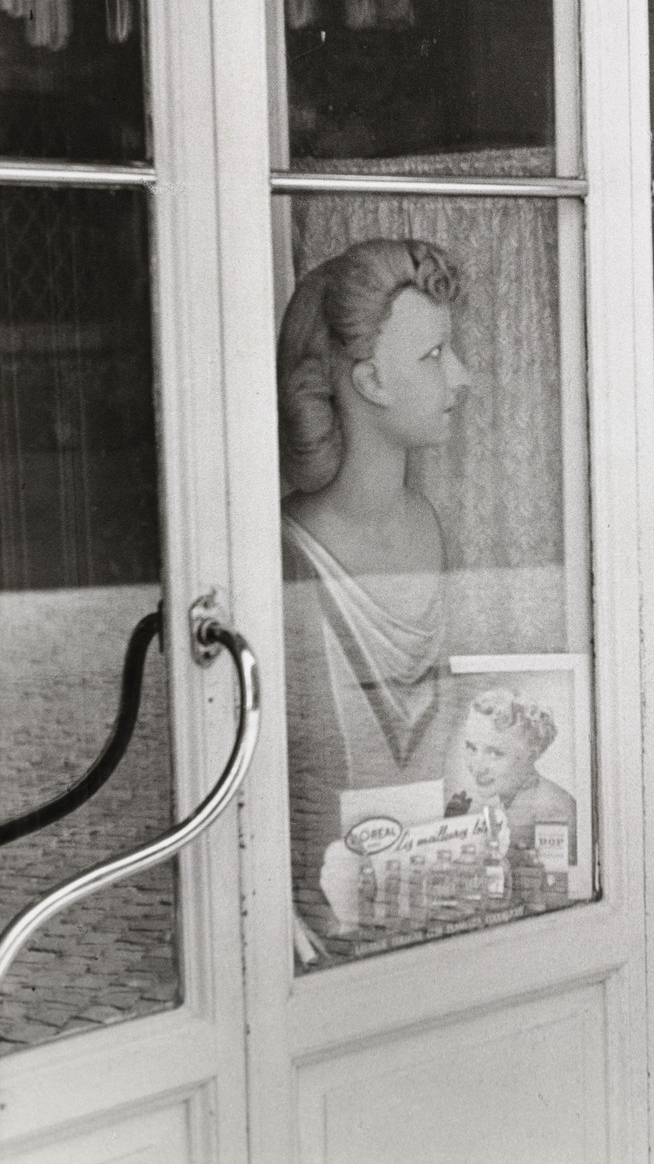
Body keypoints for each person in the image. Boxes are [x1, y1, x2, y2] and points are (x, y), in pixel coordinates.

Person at [277, 238, 471, 927]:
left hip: (424, 885)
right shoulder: (289, 554)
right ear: (368, 382)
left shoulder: (426, 525)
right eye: (432, 356)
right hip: (322, 907)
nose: (460, 376)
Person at [447, 688, 577, 859]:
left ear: (531, 754)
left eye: (494, 753)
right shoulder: (508, 801)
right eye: (471, 748)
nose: (477, 766)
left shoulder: (552, 810)